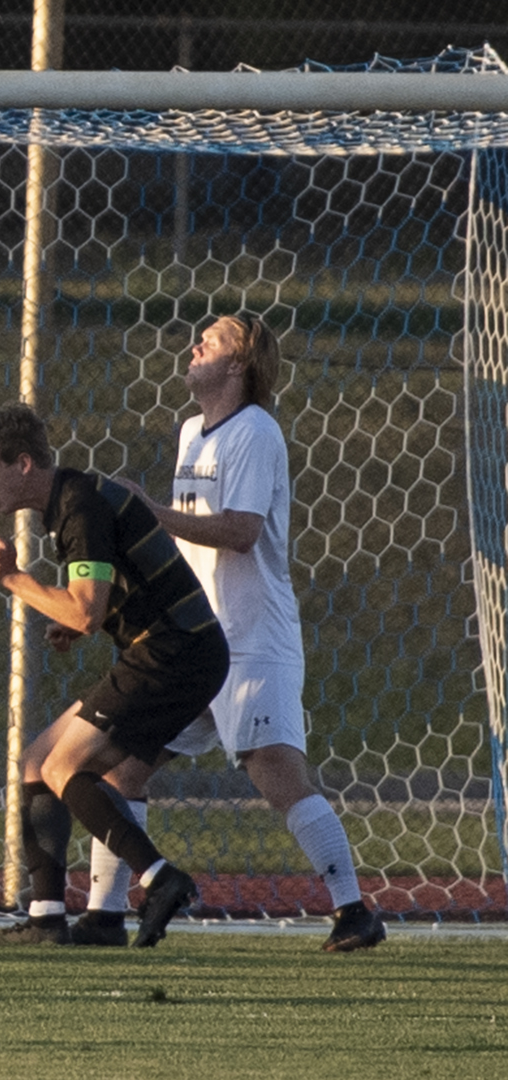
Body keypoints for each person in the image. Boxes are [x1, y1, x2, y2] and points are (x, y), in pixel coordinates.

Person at [77, 315, 385, 952]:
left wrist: (150, 512)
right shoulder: (193, 431)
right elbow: (191, 539)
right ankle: (103, 916)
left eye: (210, 341)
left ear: (240, 364)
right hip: (195, 641)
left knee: (276, 776)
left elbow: (240, 532)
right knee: (123, 767)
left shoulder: (256, 432)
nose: (194, 346)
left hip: (253, 640)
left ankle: (354, 912)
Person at [0, 404, 226, 948]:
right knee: (38, 760)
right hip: (171, 650)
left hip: (175, 653)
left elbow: (84, 608)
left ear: (23, 465)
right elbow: (101, 600)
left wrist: (13, 578)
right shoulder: (73, 499)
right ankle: (47, 917)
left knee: (66, 767)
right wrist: (81, 625)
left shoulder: (78, 507)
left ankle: (161, 878)